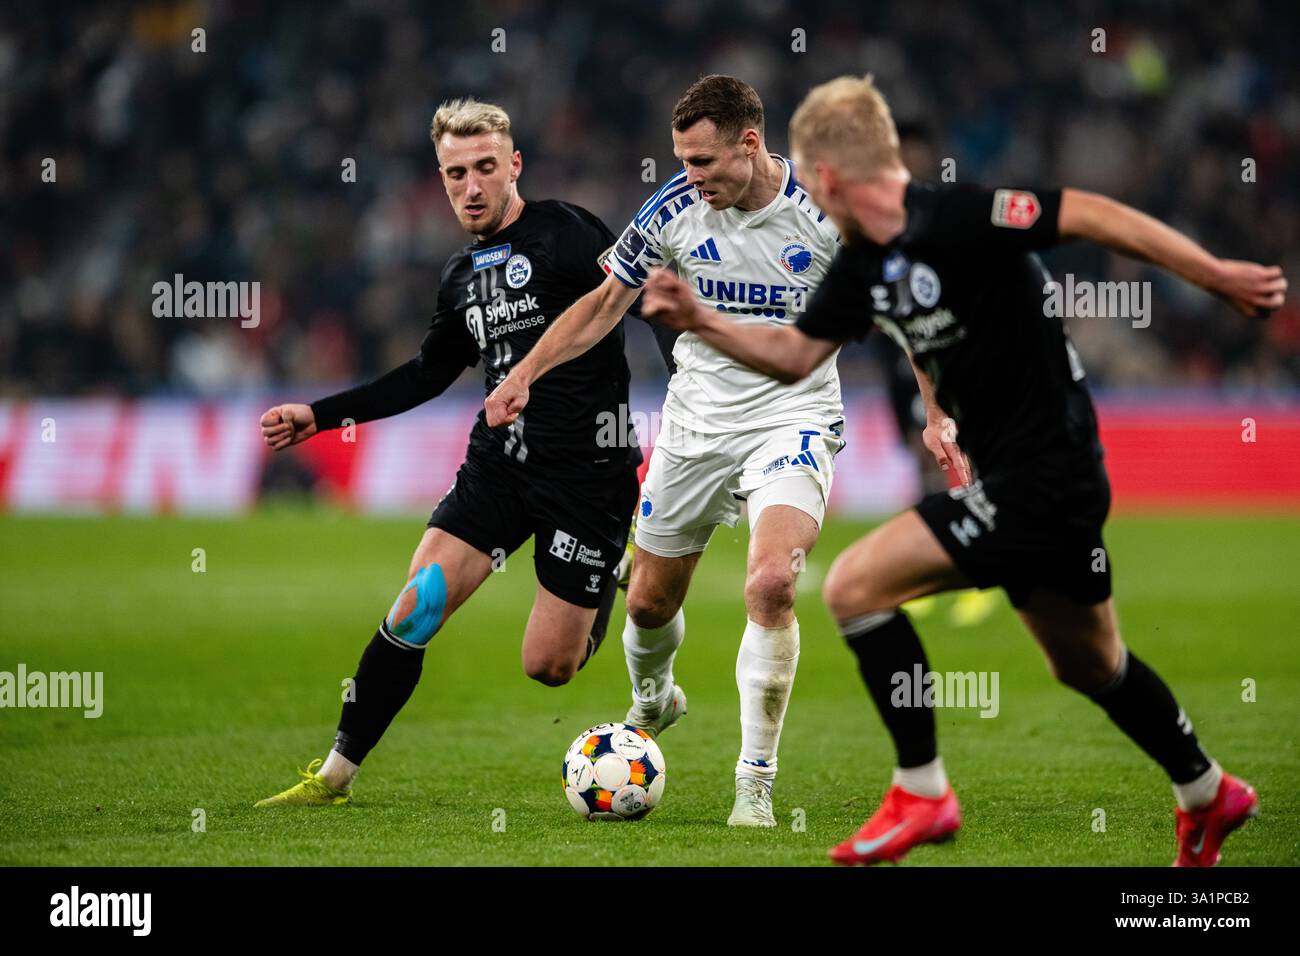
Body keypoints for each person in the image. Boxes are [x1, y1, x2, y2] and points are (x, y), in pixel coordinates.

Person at [640, 74, 1285, 865]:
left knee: (851, 587)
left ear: (833, 176)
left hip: (1047, 472)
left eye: (814, 176)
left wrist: (1215, 276)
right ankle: (1209, 793)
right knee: (1090, 662)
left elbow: (1092, 214)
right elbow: (793, 353)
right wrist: (700, 317)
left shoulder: (961, 217)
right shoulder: (861, 266)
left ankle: (922, 790)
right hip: (1026, 484)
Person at [486, 75, 961, 827]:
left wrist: (936, 414)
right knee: (646, 600)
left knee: (771, 583)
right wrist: (525, 372)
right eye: (682, 159)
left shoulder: (826, 210)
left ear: (751, 142)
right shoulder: (673, 207)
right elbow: (605, 303)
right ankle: (654, 701)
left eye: (703, 160)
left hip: (795, 413)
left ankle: (755, 785)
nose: (690, 176)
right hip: (697, 421)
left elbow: (908, 312)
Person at [254, 98, 652, 807]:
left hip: (588, 475)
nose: (470, 187)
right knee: (416, 606)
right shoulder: (460, 274)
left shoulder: (567, 233)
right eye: (454, 173)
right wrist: (321, 414)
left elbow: (651, 302)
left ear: (514, 166)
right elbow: (427, 374)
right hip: (498, 465)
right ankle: (337, 774)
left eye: (485, 169)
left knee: (549, 667)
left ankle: (611, 567)